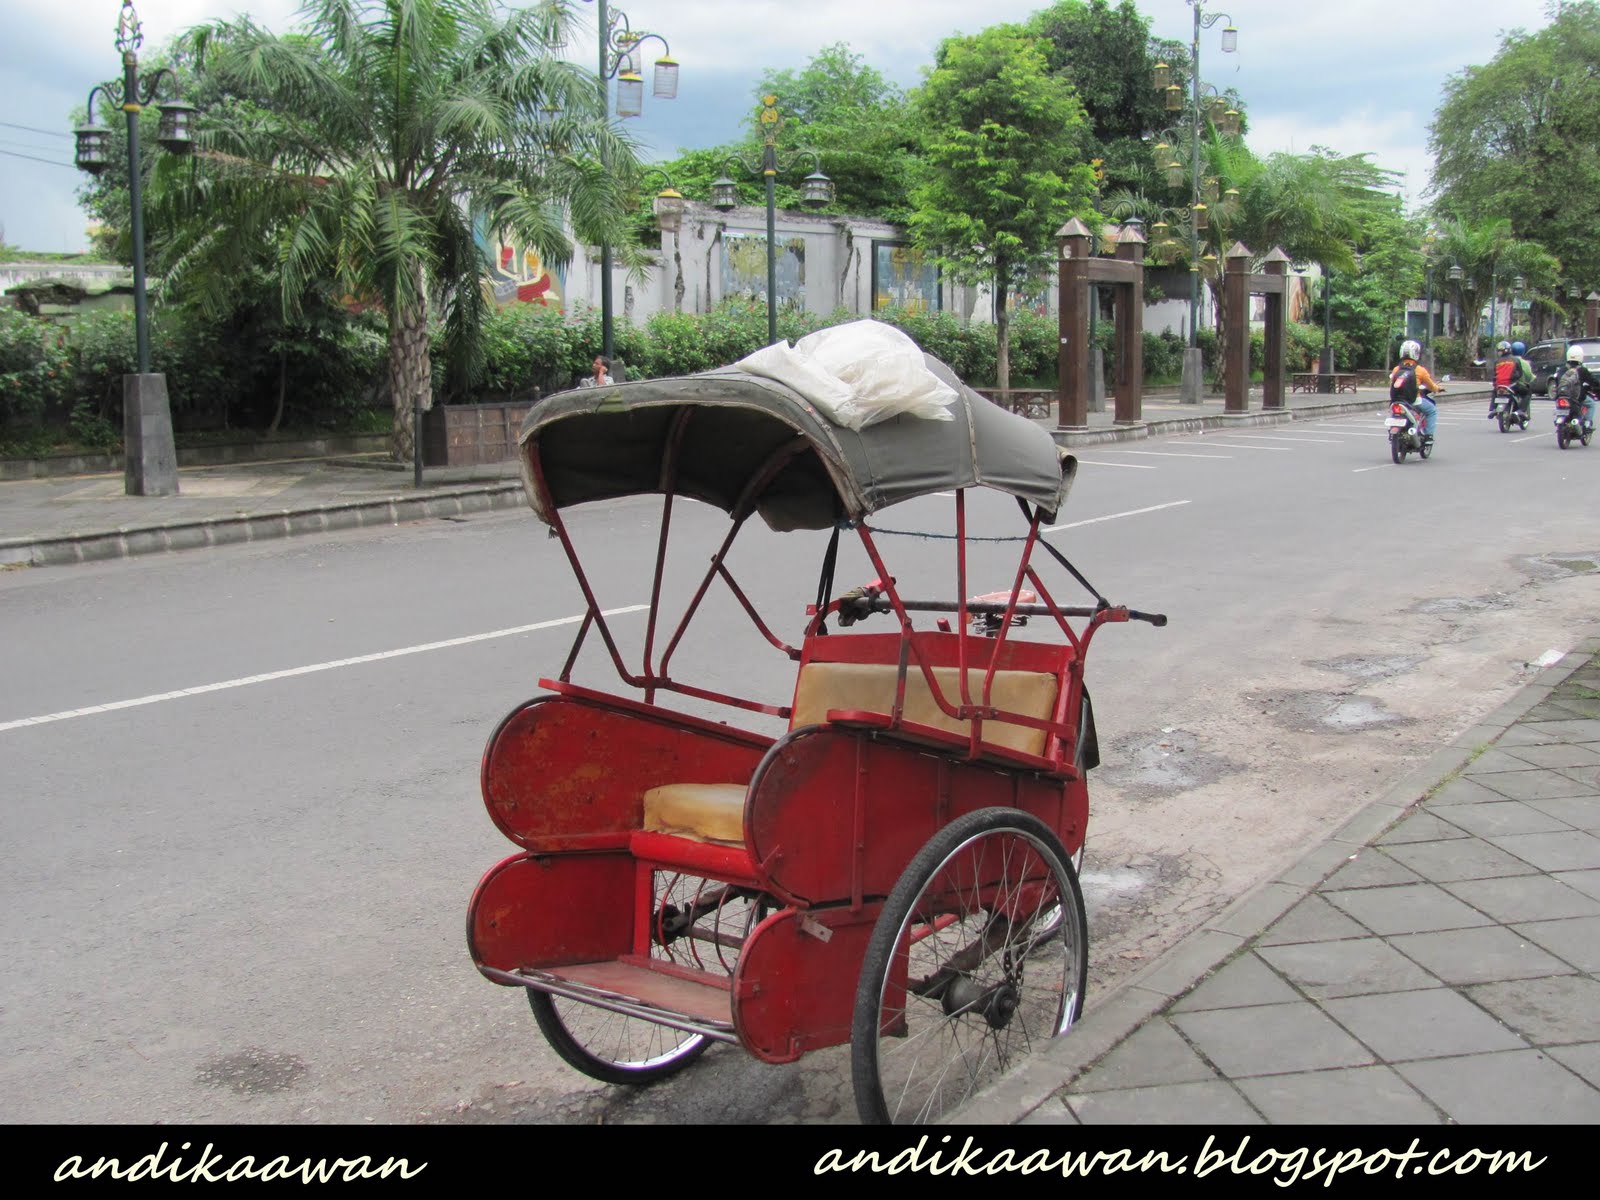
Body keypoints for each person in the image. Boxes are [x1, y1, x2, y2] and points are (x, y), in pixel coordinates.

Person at [1391, 339, 1444, 442]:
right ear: (1416, 353)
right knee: (1431, 411)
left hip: (1397, 401)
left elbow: (1392, 385)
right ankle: (1428, 436)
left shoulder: (1396, 369)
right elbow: (1431, 386)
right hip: (1414, 400)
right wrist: (1438, 389)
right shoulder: (1420, 370)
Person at [1552, 345, 1598, 430]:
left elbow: (1556, 382)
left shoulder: (1561, 370)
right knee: (1591, 404)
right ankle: (1587, 424)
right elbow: (1593, 382)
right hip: (1576, 397)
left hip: (1561, 396)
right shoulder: (1582, 370)